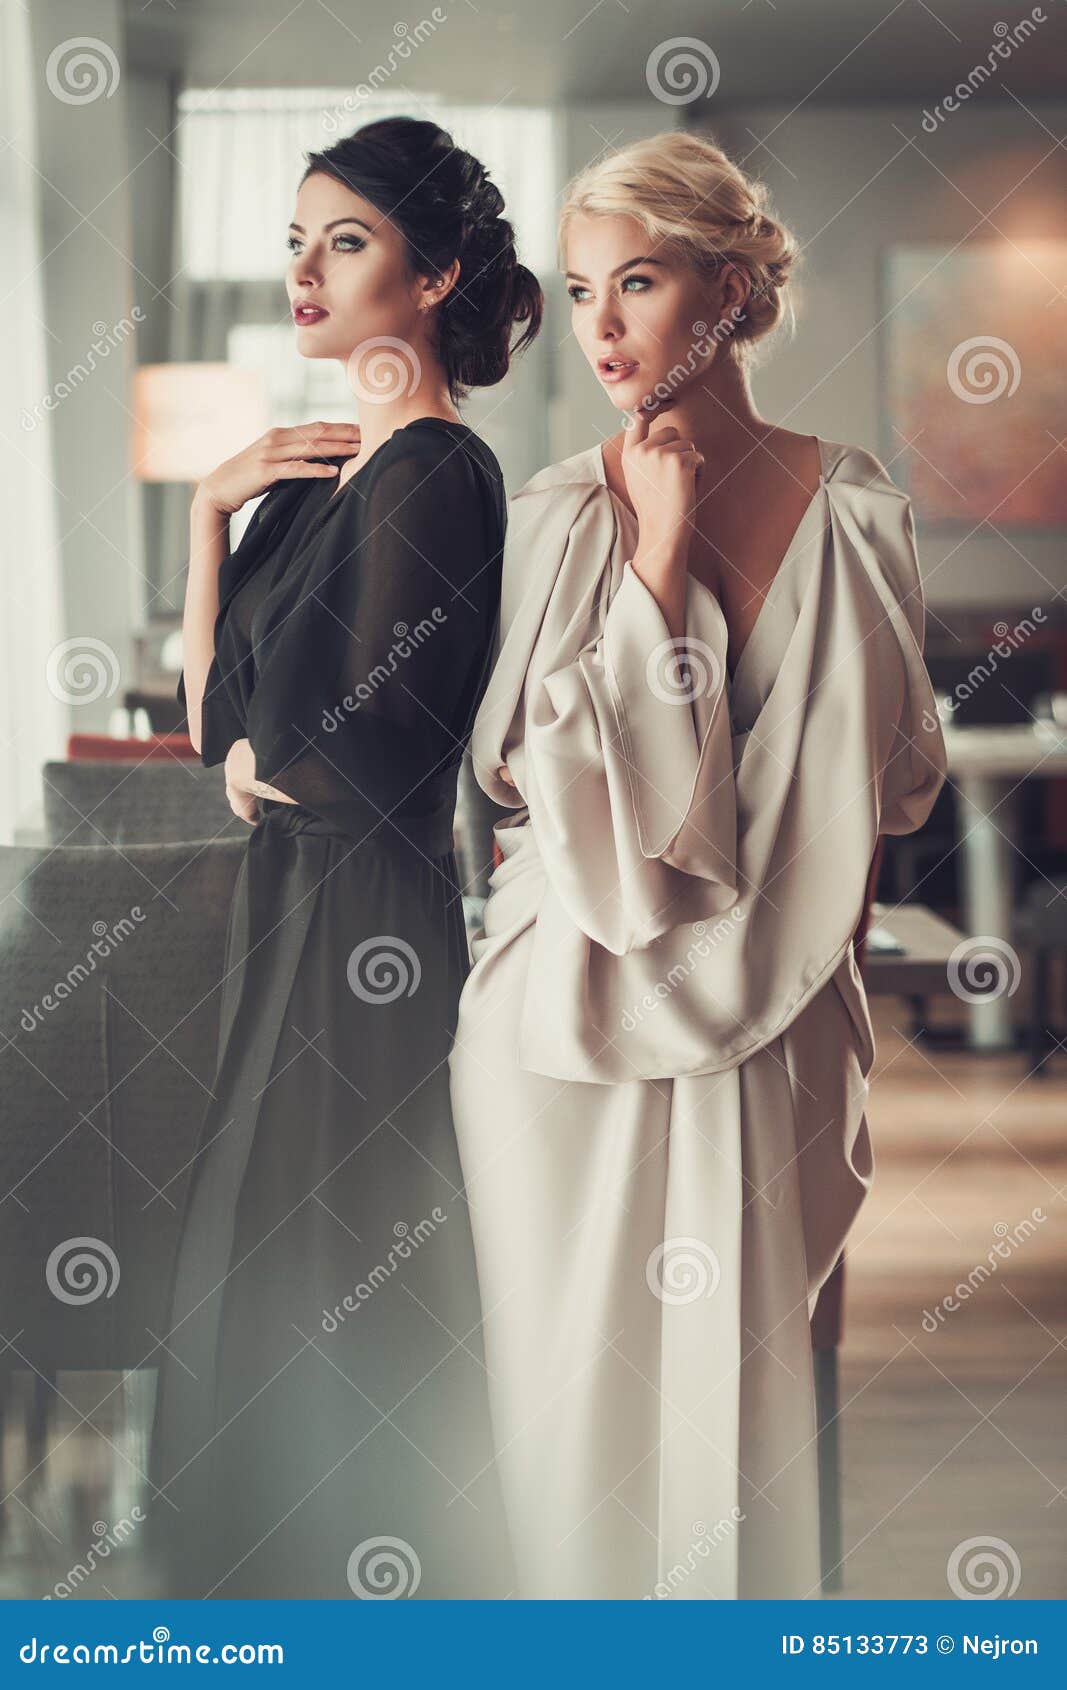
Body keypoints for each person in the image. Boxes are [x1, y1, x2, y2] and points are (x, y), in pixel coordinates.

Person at [448, 130, 948, 1599]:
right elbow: (528, 771)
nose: (597, 328)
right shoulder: (558, 513)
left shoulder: (855, 512)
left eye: (642, 284)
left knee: (752, 1411)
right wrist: (656, 557)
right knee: (571, 1416)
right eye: (582, 289)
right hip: (564, 1028)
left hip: (780, 1024)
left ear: (728, 295)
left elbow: (896, 779)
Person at [148, 115, 542, 1600]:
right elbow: (214, 730)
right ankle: (261, 1581)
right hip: (289, 905)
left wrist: (263, 760)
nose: (307, 273)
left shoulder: (439, 469)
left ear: (434, 273)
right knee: (261, 1244)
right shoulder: (311, 480)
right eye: (294, 246)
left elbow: (363, 751)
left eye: (349, 241)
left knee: (339, 1246)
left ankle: (379, 1587)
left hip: (371, 912)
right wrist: (204, 513)